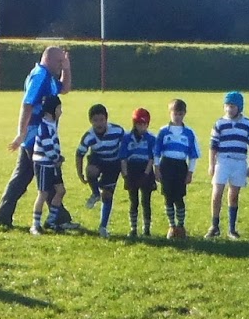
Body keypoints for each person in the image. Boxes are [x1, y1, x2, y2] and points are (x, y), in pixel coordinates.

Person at [0, 45, 73, 229]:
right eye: (60, 61)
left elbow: (65, 89)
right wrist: (21, 134)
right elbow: (27, 104)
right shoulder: (40, 76)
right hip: (35, 137)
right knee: (47, 176)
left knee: (23, 177)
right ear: (49, 59)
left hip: (40, 135)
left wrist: (67, 68)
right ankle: (58, 218)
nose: (61, 65)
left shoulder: (50, 76)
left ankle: (3, 216)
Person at [206, 91, 249, 239]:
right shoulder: (219, 123)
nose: (229, 109)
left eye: (232, 106)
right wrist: (211, 164)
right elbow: (213, 145)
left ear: (239, 107)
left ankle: (232, 229)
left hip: (239, 162)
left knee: (233, 195)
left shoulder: (248, 124)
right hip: (222, 161)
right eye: (227, 106)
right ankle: (214, 226)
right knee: (216, 193)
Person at [75, 103, 126, 238]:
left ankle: (103, 226)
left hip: (113, 164)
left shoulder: (118, 131)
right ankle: (95, 193)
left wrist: (124, 167)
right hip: (98, 160)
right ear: (90, 121)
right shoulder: (89, 136)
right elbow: (79, 154)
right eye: (95, 120)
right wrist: (80, 173)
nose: (99, 123)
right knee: (91, 171)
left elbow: (126, 147)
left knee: (107, 195)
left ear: (106, 119)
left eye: (102, 120)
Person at [154, 99, 199, 240]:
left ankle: (181, 226)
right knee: (168, 197)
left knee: (179, 198)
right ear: (170, 113)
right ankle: (171, 226)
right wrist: (157, 168)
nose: (177, 116)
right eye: (175, 113)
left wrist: (190, 172)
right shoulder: (163, 131)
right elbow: (156, 151)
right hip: (166, 165)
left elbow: (193, 155)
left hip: (180, 166)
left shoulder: (189, 133)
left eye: (180, 113)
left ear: (184, 114)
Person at [27, 94, 69, 235]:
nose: (61, 112)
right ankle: (35, 225)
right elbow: (47, 147)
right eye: (59, 109)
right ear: (52, 110)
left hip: (53, 164)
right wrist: (57, 158)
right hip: (44, 164)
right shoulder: (44, 126)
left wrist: (57, 158)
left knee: (61, 190)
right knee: (43, 194)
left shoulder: (52, 124)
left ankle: (50, 221)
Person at [120, 108, 157, 238]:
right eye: (139, 124)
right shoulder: (126, 138)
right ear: (134, 124)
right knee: (133, 201)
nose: (141, 127)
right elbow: (123, 158)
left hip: (145, 169)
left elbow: (152, 158)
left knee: (146, 201)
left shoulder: (151, 138)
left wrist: (146, 174)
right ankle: (133, 228)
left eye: (144, 124)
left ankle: (146, 229)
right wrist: (125, 176)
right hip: (132, 169)